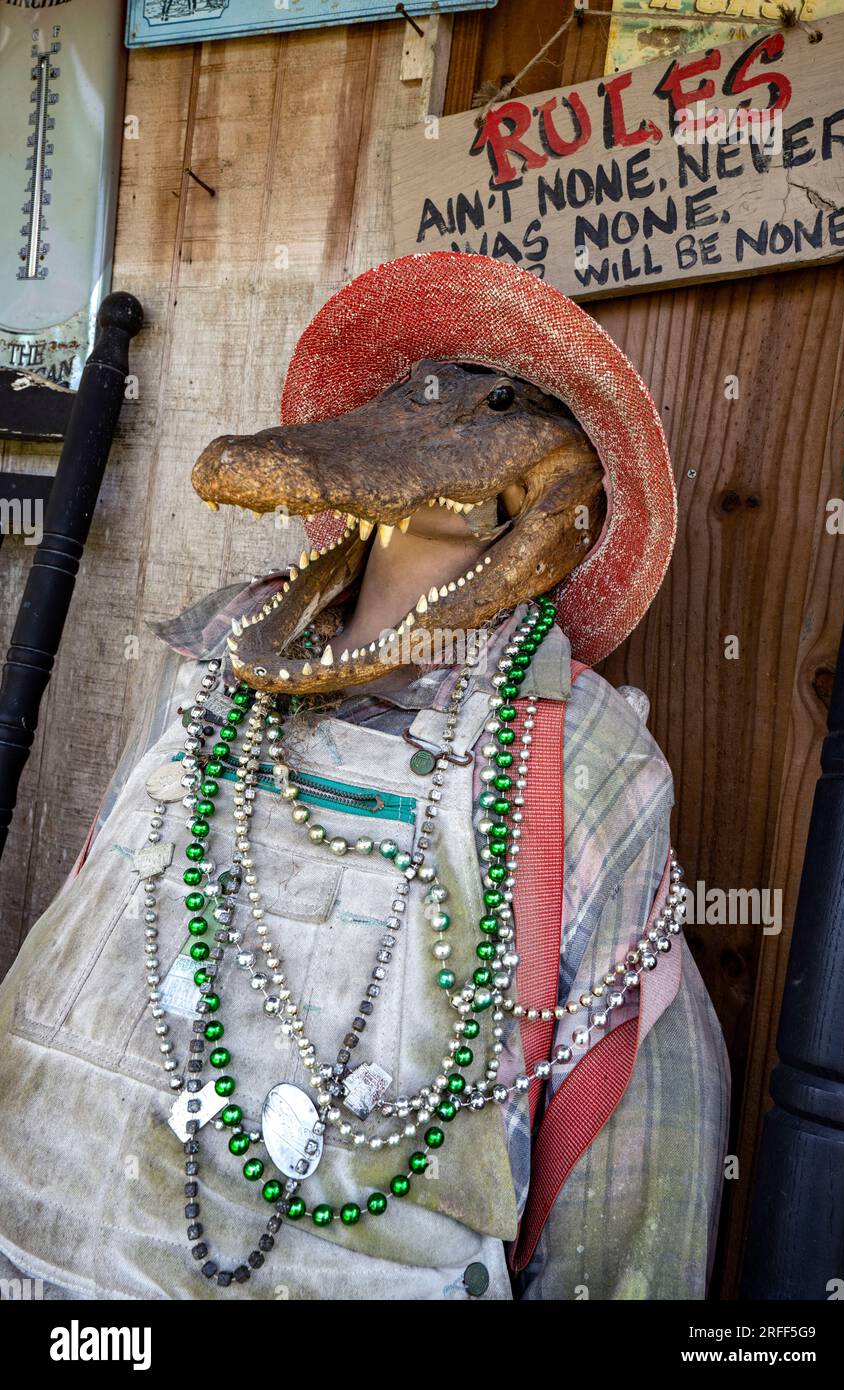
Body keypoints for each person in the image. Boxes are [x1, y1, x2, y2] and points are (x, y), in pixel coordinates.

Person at [0, 253, 728, 1300]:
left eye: (493, 403)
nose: (426, 423)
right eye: (407, 396)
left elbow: (640, 1174)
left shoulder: (582, 754)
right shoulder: (210, 662)